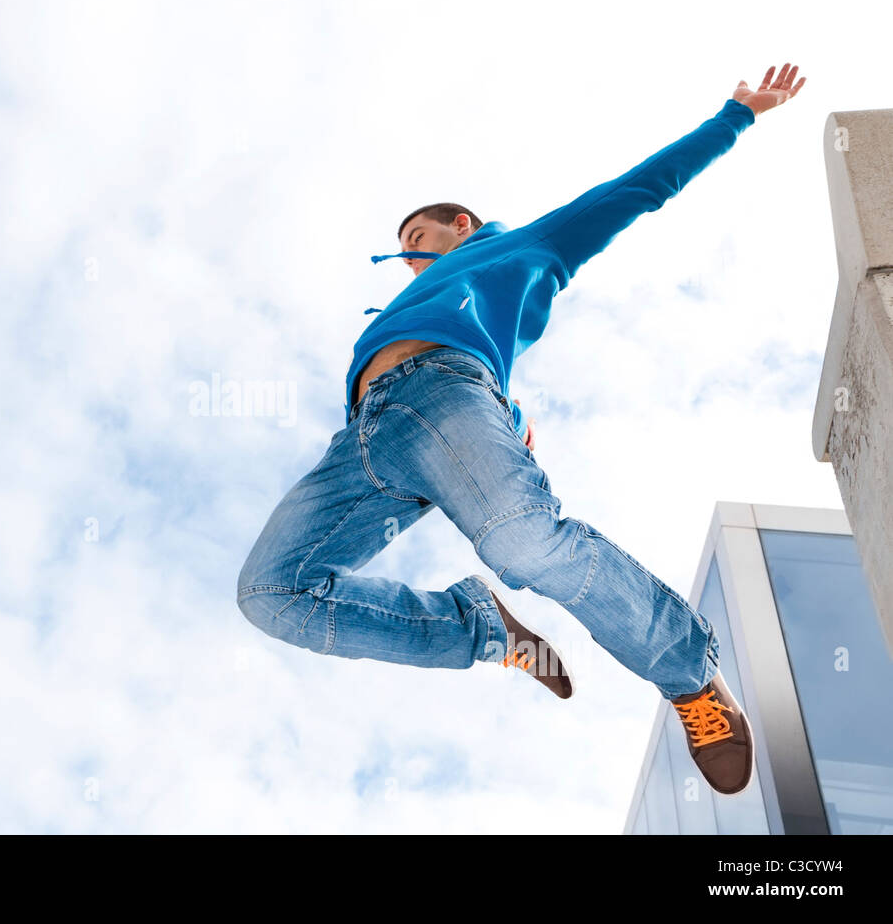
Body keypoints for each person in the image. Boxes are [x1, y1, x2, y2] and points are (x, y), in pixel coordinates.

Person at [236, 64, 805, 796]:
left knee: (523, 539)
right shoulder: (416, 300)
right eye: (402, 248)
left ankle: (689, 675)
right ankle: (481, 627)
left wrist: (735, 115)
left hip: (447, 395)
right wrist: (510, 416)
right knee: (270, 592)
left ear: (460, 226)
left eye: (418, 237)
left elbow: (636, 189)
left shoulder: (521, 247)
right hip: (365, 440)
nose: (409, 256)